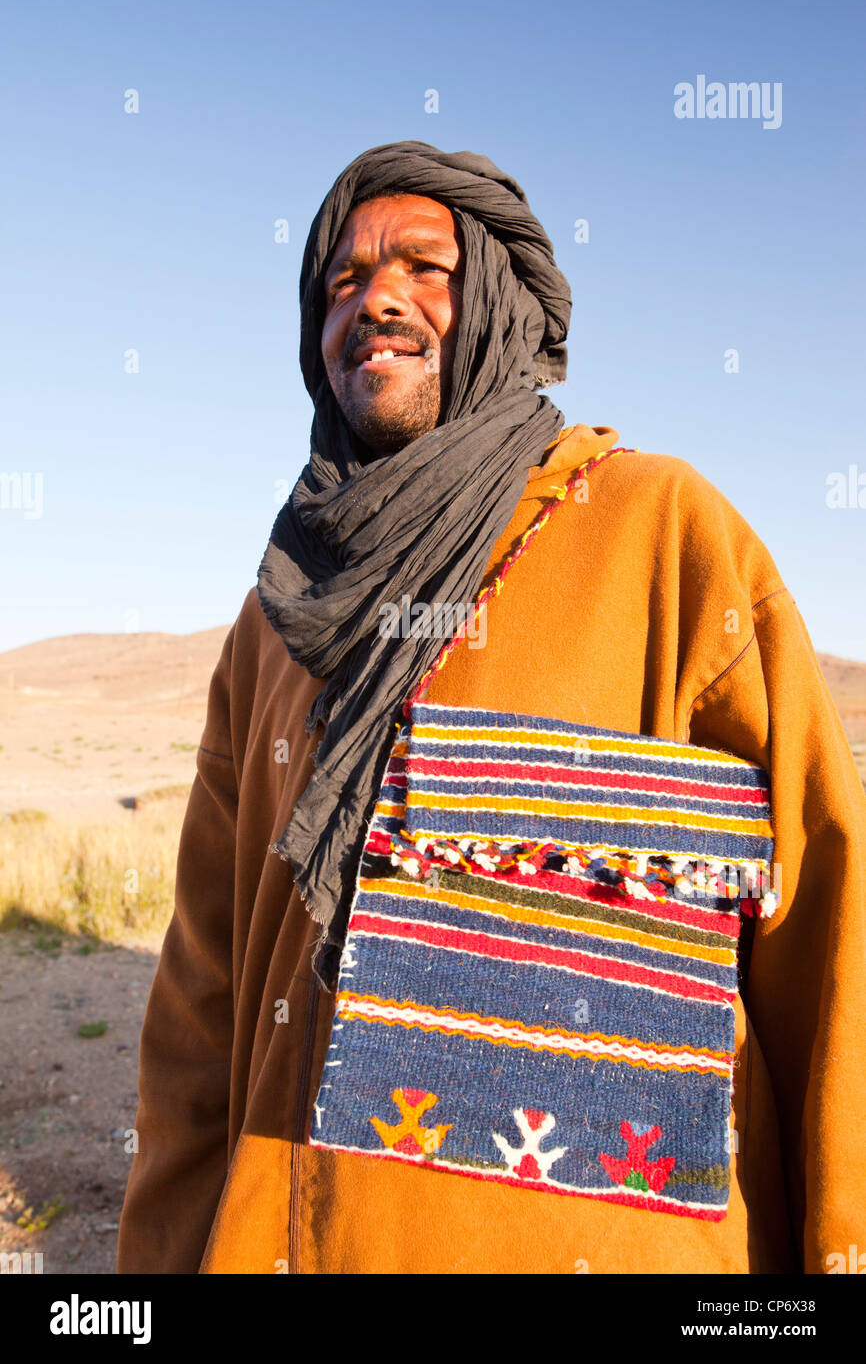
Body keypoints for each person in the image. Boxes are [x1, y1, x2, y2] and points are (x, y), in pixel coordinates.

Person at [116, 140, 866, 1275]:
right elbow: (201, 1004)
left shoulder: (661, 535)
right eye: (342, 280)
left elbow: (823, 927)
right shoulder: (276, 624)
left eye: (425, 268)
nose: (375, 300)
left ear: (504, 308)